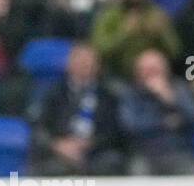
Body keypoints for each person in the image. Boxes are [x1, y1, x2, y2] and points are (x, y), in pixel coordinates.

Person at [27, 41, 125, 176]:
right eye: (80, 60)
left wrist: (90, 144)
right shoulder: (53, 93)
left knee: (111, 162)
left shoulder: (109, 95)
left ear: (98, 66)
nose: (84, 64)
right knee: (50, 168)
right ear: (69, 63)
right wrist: (58, 145)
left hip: (97, 152)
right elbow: (39, 126)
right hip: (59, 151)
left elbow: (115, 130)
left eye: (89, 60)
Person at [118, 48, 194, 175]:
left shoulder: (178, 88)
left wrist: (169, 98)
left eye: (155, 69)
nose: (151, 74)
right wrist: (165, 122)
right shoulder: (130, 93)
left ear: (165, 70)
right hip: (145, 154)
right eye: (146, 70)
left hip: (179, 152)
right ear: (137, 73)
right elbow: (130, 125)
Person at [92, 0, 180, 78]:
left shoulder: (158, 14)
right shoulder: (110, 14)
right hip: (118, 79)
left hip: (154, 79)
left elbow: (176, 53)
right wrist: (124, 32)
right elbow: (97, 50)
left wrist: (161, 32)